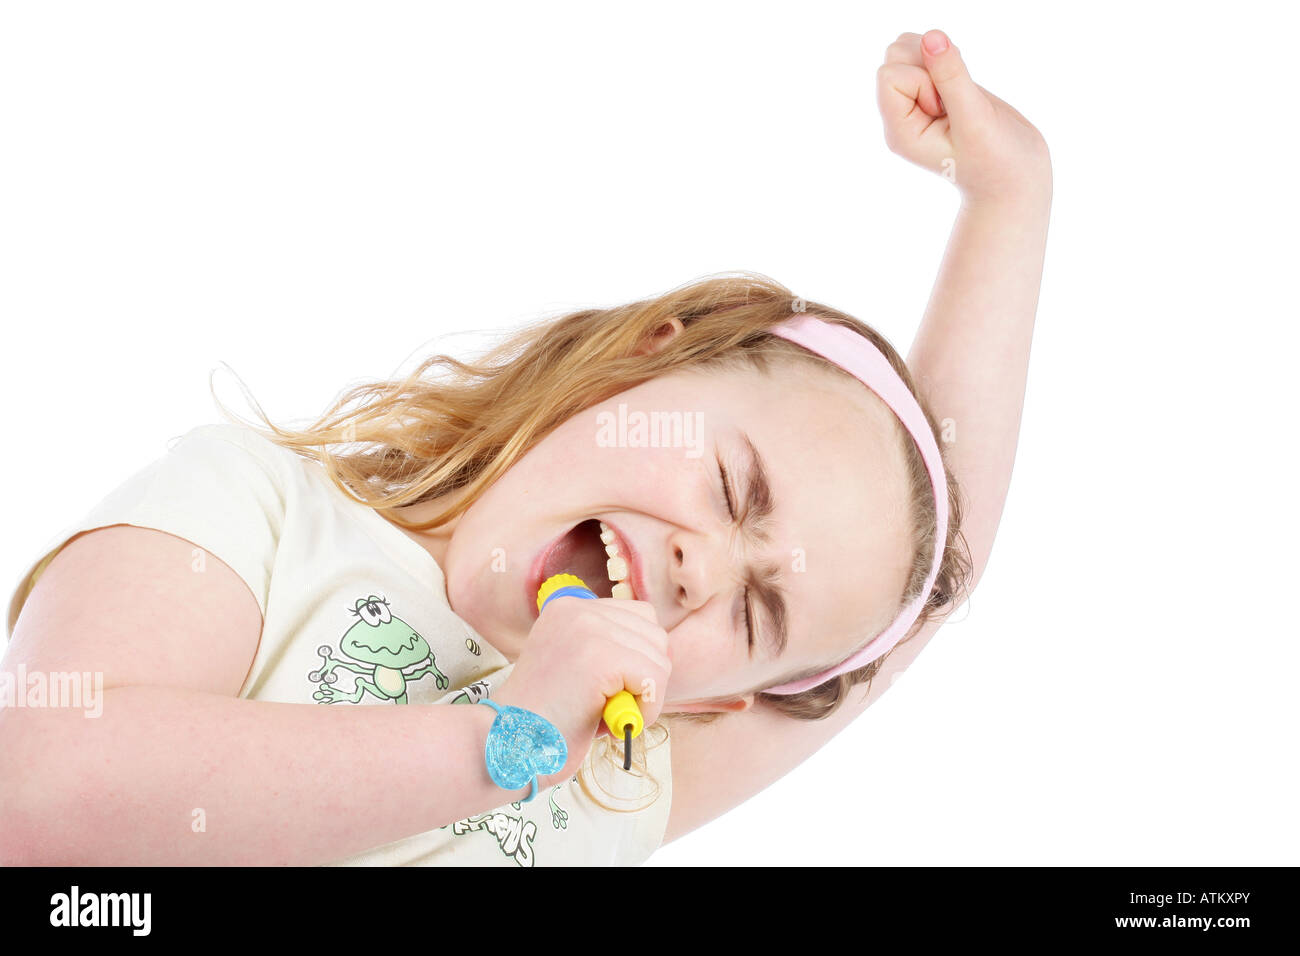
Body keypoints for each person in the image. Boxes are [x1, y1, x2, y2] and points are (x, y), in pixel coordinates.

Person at [0, 29, 1051, 866]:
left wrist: (1012, 195)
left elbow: (931, 581)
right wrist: (504, 735)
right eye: (730, 485)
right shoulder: (259, 512)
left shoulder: (617, 774)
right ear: (635, 366)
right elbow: (37, 790)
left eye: (755, 609)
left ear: (712, 704)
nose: (702, 565)